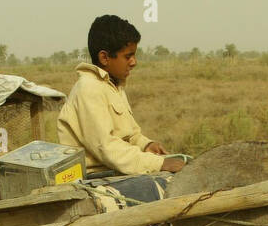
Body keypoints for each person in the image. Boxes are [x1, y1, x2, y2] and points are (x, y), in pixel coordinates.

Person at [58, 15, 184, 176]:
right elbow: (107, 147)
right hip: (96, 177)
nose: (134, 62)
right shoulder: (89, 89)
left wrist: (146, 145)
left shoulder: (113, 86)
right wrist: (158, 163)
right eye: (128, 56)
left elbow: (130, 135)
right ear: (104, 58)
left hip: (118, 170)